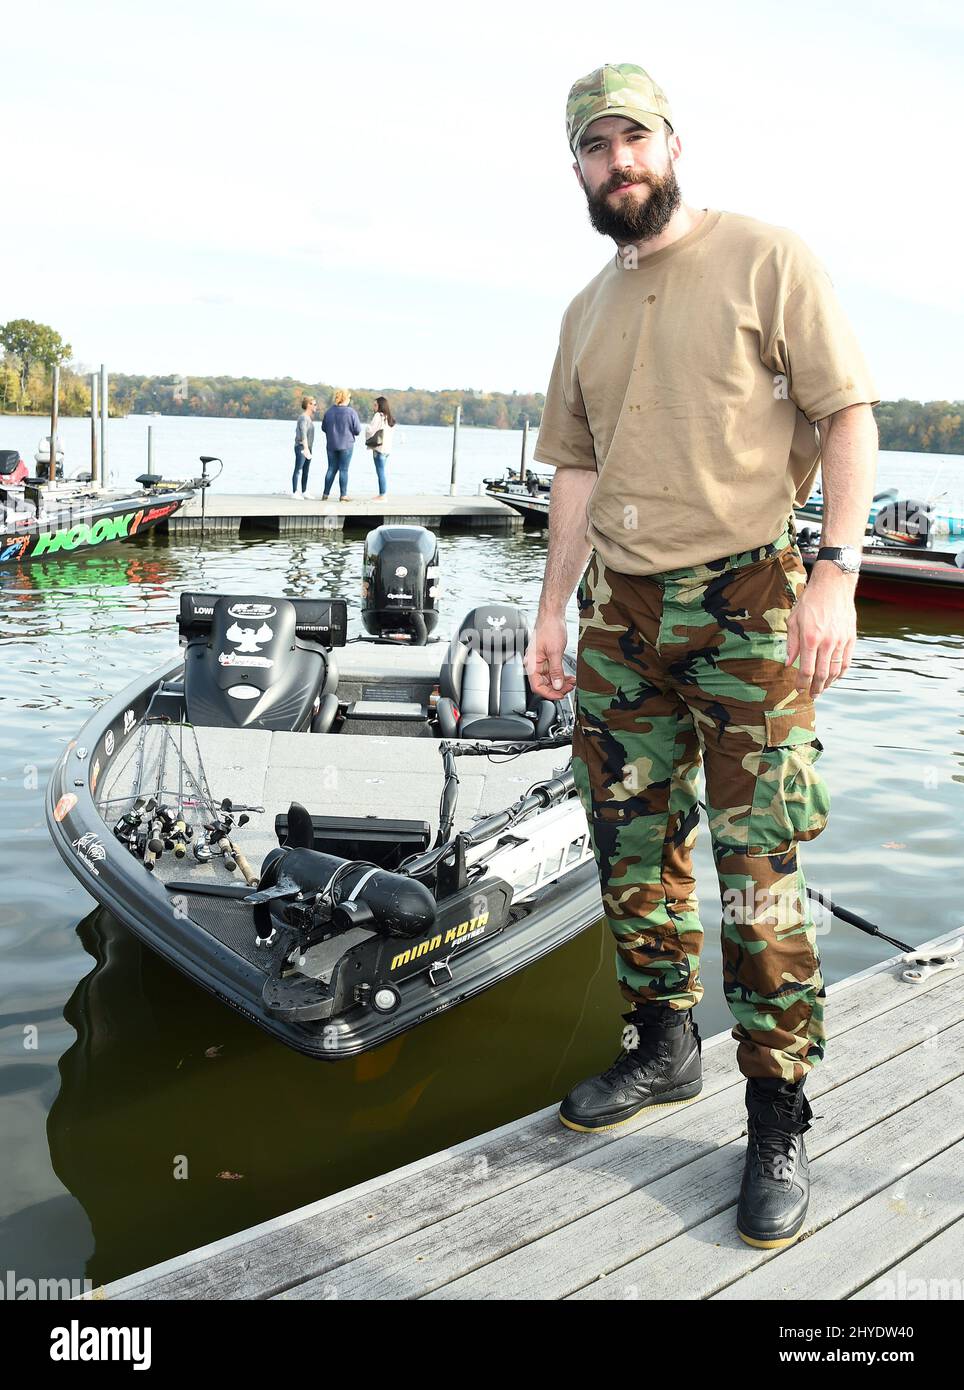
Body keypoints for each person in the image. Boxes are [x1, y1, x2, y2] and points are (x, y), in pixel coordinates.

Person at [524, 63, 878, 1250]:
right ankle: (662, 1045)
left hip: (747, 600)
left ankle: (777, 1108)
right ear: (575, 168)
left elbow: (845, 413)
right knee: (631, 845)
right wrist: (548, 611)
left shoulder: (765, 259)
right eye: (593, 147)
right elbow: (575, 472)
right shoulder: (583, 311)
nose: (614, 161)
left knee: (758, 859)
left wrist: (834, 570)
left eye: (631, 139)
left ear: (672, 144)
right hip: (621, 614)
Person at [320, 389, 361, 500]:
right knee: (344, 470)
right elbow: (357, 430)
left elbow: (323, 428)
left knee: (331, 468)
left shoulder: (328, 412)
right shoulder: (351, 412)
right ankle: (343, 495)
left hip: (331, 444)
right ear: (346, 398)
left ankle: (325, 494)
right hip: (346, 445)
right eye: (349, 398)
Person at [365, 395, 396, 498]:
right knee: (382, 472)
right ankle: (382, 494)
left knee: (380, 472)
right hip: (387, 450)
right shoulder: (389, 418)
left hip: (379, 449)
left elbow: (371, 429)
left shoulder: (378, 416)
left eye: (375, 405)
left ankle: (382, 495)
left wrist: (366, 428)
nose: (374, 407)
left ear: (380, 405)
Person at [293, 394, 316, 496]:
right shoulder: (303, 418)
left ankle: (304, 491)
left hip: (308, 448)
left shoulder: (309, 418)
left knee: (306, 471)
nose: (316, 406)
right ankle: (295, 492)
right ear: (308, 405)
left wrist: (309, 449)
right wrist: (306, 449)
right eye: (314, 404)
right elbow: (303, 433)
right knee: (298, 469)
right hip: (301, 447)